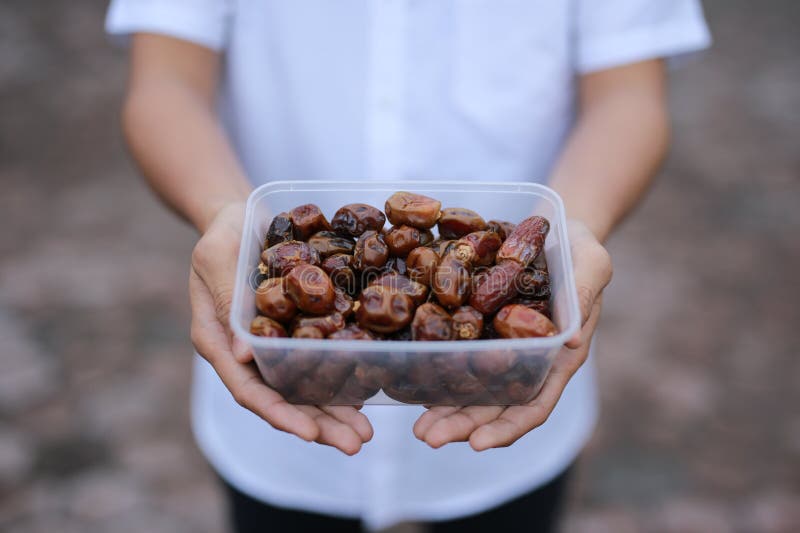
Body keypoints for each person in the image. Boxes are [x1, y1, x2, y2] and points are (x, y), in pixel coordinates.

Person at [107, 1, 710, 531]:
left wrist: (576, 223)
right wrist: (224, 213)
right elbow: (165, 84)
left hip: (510, 394)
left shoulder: (463, 284)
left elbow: (629, 96)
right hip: (281, 402)